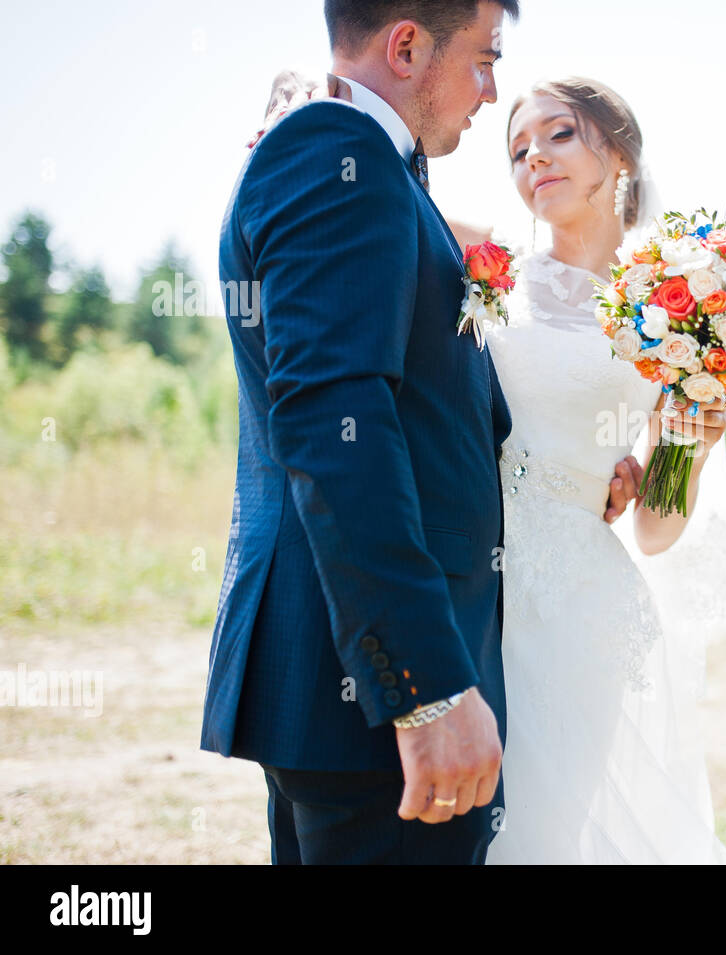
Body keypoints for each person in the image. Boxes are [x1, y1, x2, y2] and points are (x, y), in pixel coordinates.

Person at [201, 0, 542, 865]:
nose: (491, 90)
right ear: (406, 45)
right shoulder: (336, 152)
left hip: (351, 686)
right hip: (365, 700)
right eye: (483, 57)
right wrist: (422, 689)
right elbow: (332, 423)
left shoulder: (372, 166)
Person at [471, 78, 726, 863]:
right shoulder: (485, 270)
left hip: (577, 603)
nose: (534, 159)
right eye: (518, 148)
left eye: (558, 135)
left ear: (615, 151)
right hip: (468, 580)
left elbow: (655, 531)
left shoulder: (674, 314)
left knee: (544, 834)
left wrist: (690, 449)